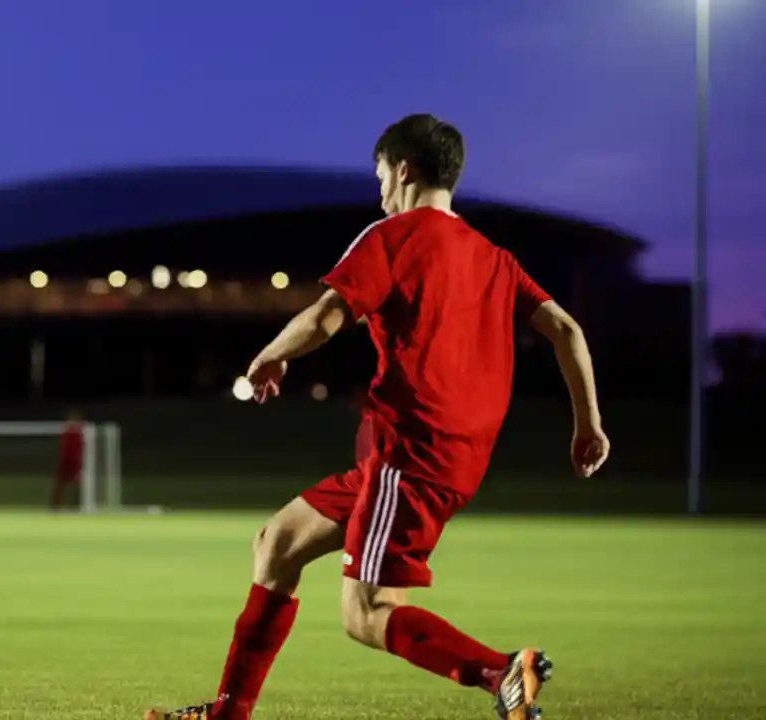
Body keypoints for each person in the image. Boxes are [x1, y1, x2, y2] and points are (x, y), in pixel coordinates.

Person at [146, 114, 609, 720]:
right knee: (276, 544)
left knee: (365, 612)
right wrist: (589, 425)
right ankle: (227, 714)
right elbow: (566, 329)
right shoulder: (494, 257)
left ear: (402, 169)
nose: (380, 190)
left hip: (411, 457)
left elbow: (326, 316)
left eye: (380, 176)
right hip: (429, 458)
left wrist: (269, 356)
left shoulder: (392, 237)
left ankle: (499, 670)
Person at [49, 409, 85, 510]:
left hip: (76, 462)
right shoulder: (65, 430)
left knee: (78, 485)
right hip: (65, 462)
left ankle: (76, 506)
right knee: (58, 485)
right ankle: (55, 507)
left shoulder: (82, 430)